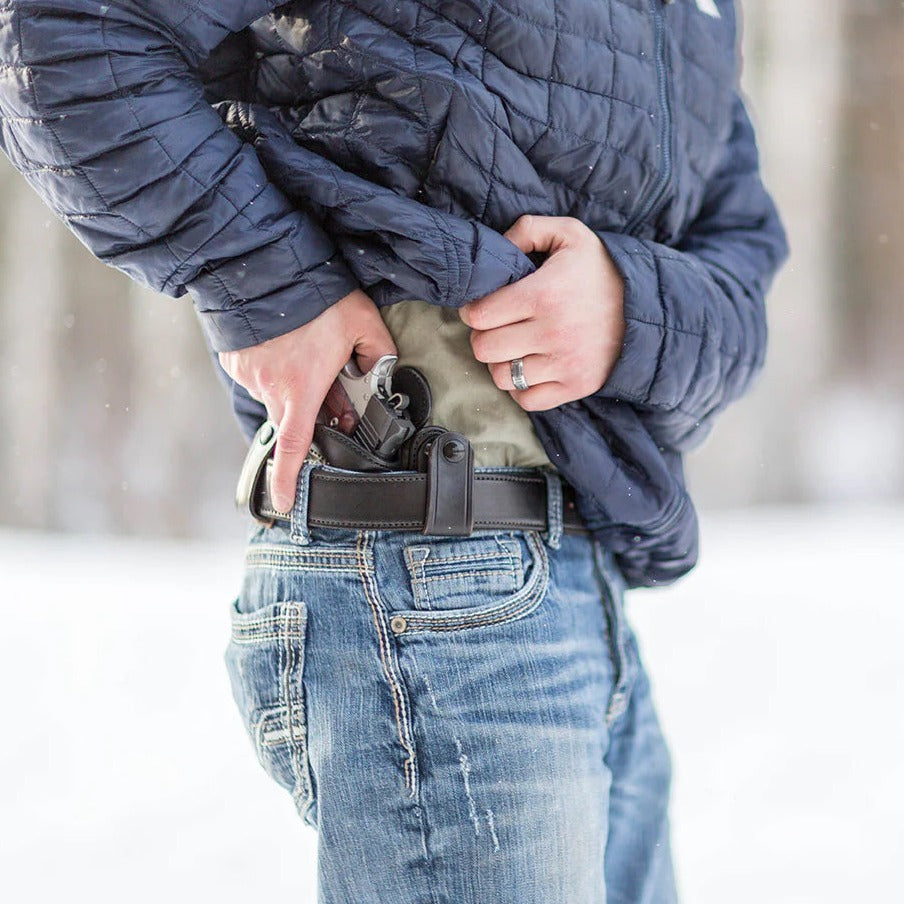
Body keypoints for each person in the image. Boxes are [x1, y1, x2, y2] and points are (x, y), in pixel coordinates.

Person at [0, 1, 788, 901]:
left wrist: (627, 307)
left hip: (591, 572)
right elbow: (64, 32)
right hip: (427, 556)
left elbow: (746, 264)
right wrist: (269, 287)